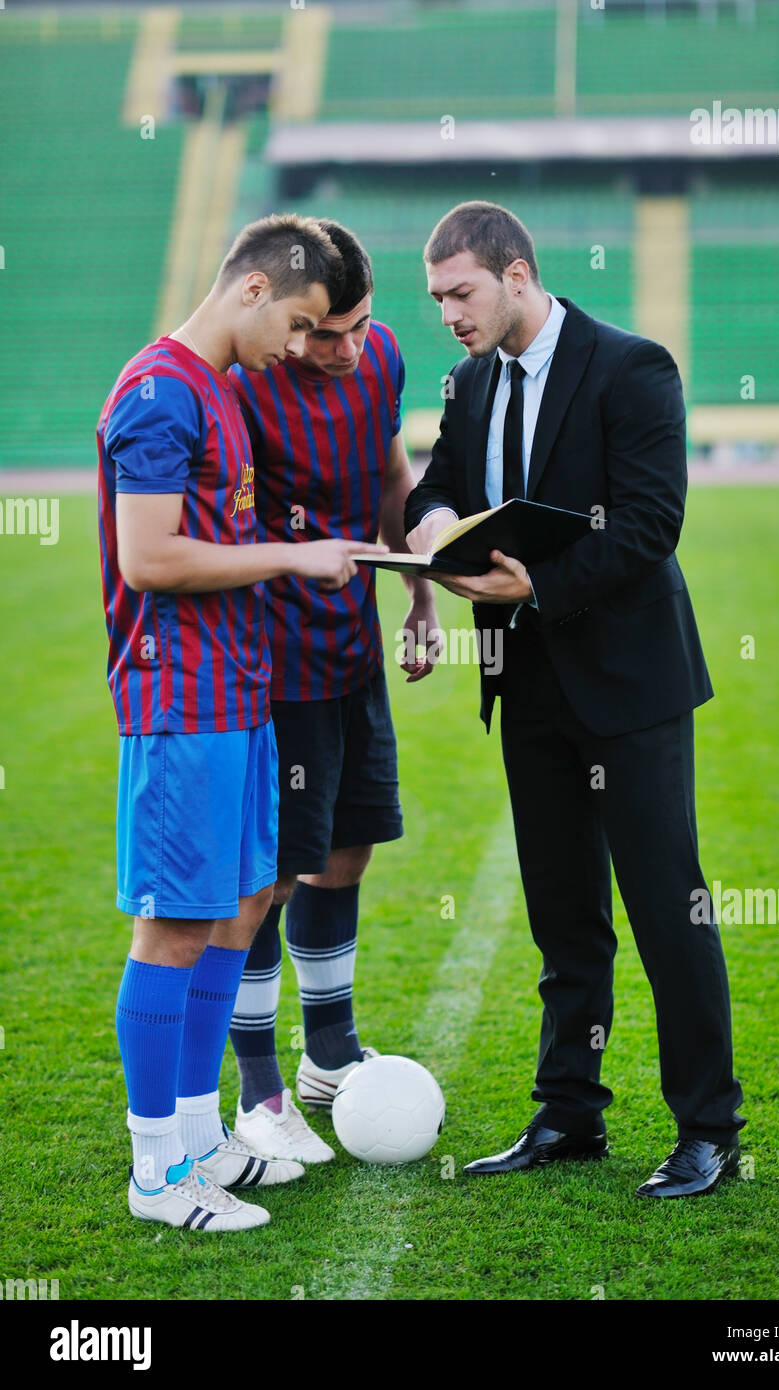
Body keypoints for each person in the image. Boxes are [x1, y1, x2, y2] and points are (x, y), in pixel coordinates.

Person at [405, 201, 745, 1198]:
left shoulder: (631, 366)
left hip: (630, 684)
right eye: (436, 299)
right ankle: (569, 1114)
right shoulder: (469, 383)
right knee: (563, 912)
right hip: (526, 682)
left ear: (517, 276)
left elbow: (651, 524)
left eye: (461, 293)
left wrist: (537, 588)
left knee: (665, 907)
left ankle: (708, 1128)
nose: (450, 315)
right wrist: (429, 534)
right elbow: (437, 484)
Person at [98, 213, 384, 1230]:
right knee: (175, 920)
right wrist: (293, 556)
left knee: (244, 897)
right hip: (179, 699)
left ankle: (200, 1135)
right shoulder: (159, 394)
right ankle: (155, 1173)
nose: (301, 348)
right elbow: (150, 558)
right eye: (301, 322)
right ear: (253, 290)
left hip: (239, 692)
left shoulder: (216, 389)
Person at [226, 219, 439, 1163]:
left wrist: (419, 597)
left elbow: (393, 475)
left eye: (357, 327)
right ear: (284, 314)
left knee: (346, 852)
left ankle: (328, 1052)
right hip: (275, 665)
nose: (343, 349)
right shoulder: (244, 382)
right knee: (267, 877)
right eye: (323, 333)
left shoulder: (380, 355)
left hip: (352, 651)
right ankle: (260, 1087)